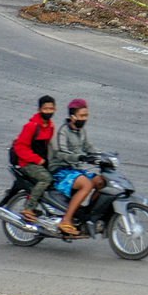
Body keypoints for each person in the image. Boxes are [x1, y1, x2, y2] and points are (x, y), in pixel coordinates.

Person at [48, 98, 107, 238]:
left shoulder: (82, 131)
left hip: (75, 170)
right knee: (86, 185)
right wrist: (80, 157)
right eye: (82, 116)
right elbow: (62, 153)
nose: (84, 119)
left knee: (101, 181)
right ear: (72, 116)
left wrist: (103, 157)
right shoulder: (62, 131)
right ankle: (66, 220)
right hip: (61, 170)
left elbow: (89, 147)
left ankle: (87, 216)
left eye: (86, 116)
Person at [8, 95, 56, 223]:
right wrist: (37, 160)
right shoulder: (32, 126)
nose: (49, 111)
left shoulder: (51, 126)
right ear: (40, 109)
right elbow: (20, 147)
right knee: (46, 179)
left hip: (41, 163)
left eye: (51, 108)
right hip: (27, 163)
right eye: (46, 109)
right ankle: (29, 208)